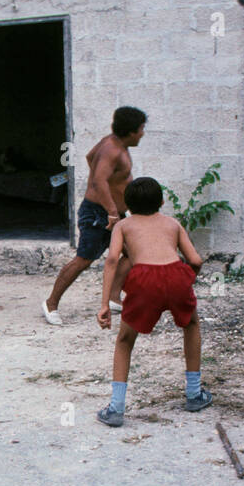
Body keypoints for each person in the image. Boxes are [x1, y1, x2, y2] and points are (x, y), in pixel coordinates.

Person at [96, 177, 213, 425]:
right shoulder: (172, 223)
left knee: (125, 340)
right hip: (175, 274)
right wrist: (185, 281)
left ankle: (116, 408)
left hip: (143, 279)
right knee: (191, 325)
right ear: (161, 201)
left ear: (127, 205)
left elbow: (112, 261)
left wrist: (105, 303)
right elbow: (196, 260)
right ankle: (194, 393)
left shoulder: (123, 226)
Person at [43, 106, 147, 325]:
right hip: (98, 213)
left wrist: (118, 193)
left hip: (113, 213)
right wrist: (111, 211)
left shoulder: (113, 143)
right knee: (84, 260)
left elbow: (90, 158)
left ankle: (113, 297)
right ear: (130, 132)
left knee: (131, 253)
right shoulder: (112, 149)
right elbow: (99, 181)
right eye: (141, 129)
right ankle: (51, 303)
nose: (143, 133)